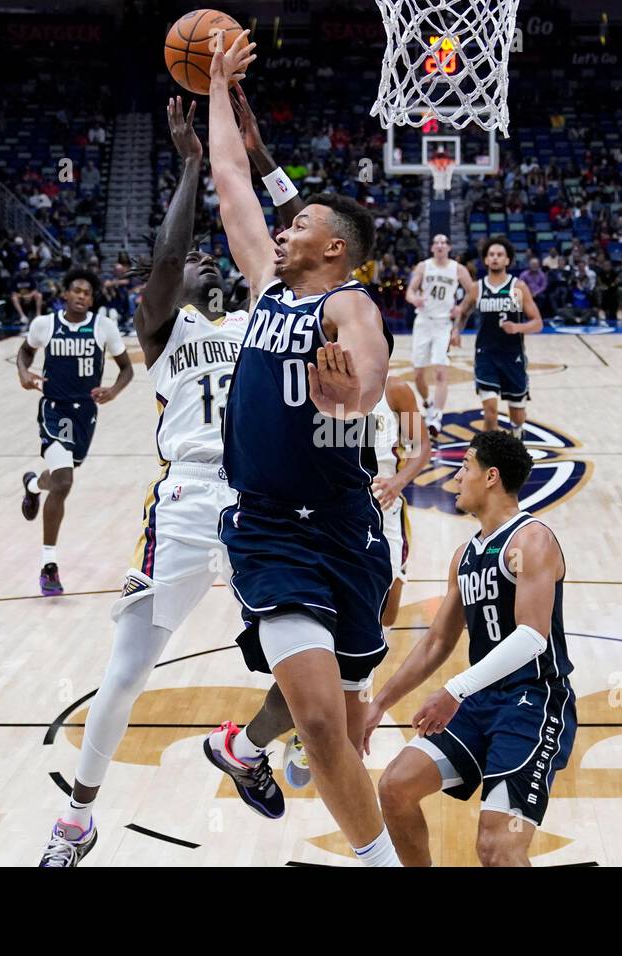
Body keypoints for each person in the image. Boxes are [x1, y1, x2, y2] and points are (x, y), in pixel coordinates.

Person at [39, 98, 253, 866]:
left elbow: (270, 246)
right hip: (189, 503)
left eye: (208, 261)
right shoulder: (166, 331)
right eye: (191, 262)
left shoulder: (258, 322)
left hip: (262, 504)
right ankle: (76, 820)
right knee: (125, 676)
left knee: (319, 655)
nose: (199, 263)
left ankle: (258, 749)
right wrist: (193, 161)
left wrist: (249, 158)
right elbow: (167, 262)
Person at [206, 33, 401, 866]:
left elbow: (372, 379)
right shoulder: (263, 288)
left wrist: (345, 400)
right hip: (271, 527)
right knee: (320, 717)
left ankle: (244, 747)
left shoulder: (349, 305)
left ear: (335, 249)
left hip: (347, 527)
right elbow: (230, 184)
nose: (280, 233)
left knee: (342, 711)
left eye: (301, 227)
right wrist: (218, 86)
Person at [210, 373, 431, 802]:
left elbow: (422, 449)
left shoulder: (398, 390)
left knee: (383, 616)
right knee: (324, 634)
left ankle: (300, 718)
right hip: (331, 517)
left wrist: (401, 480)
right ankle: (307, 723)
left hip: (383, 514)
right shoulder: (310, 385)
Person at [365, 430, 577, 866]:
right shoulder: (465, 554)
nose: (456, 478)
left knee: (497, 848)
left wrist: (454, 691)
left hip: (533, 703)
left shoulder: (531, 539)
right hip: (480, 703)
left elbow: (532, 636)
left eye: (465, 468)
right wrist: (380, 703)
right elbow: (439, 640)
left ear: (492, 477)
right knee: (395, 787)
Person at [17, 268, 133, 595]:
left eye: (88, 293)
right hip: (53, 409)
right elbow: (25, 352)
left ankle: (31, 484)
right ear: (65, 295)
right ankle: (48, 566)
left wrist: (114, 390)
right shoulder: (45, 325)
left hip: (85, 413)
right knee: (65, 481)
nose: (82, 296)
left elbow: (126, 368)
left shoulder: (103, 327)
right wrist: (24, 372)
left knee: (56, 480)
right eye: (77, 291)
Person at [453, 237, 544, 439]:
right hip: (486, 355)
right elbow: (464, 312)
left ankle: (518, 430)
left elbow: (538, 322)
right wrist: (456, 331)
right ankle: (488, 458)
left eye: (499, 255)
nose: (495, 258)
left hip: (513, 357)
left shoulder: (518, 287)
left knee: (517, 415)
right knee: (491, 412)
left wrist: (518, 327)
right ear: (485, 260)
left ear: (507, 260)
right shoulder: (477, 288)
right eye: (491, 255)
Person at [405, 234, 476, 437]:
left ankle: (436, 415)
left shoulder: (458, 269)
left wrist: (460, 308)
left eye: (443, 242)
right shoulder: (423, 267)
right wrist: (415, 299)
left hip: (443, 324)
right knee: (418, 374)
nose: (439, 245)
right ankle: (428, 404)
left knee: (440, 373)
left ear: (449, 247)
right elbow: (409, 292)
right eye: (436, 242)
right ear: (432, 247)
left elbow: (473, 293)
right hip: (423, 322)